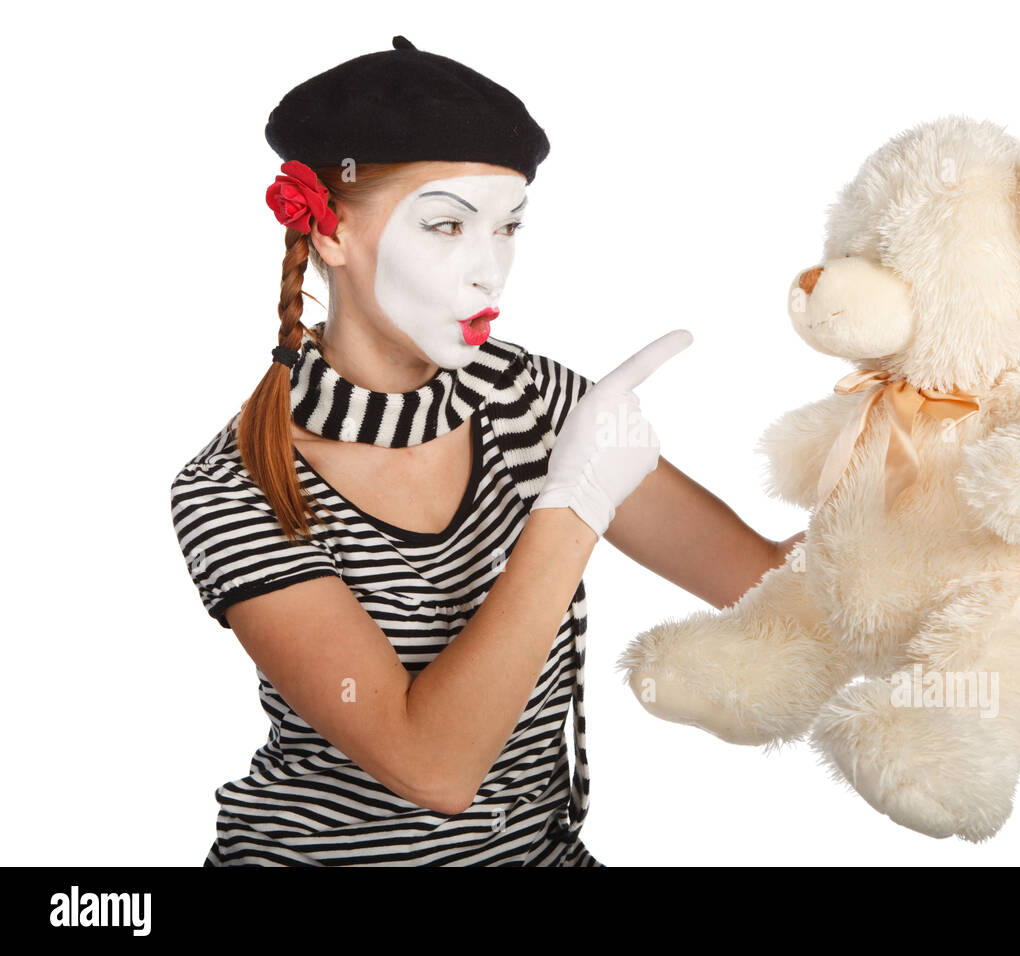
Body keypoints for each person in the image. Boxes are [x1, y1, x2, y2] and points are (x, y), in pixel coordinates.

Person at [169, 36, 803, 866]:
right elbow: (432, 768)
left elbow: (764, 586)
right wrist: (573, 508)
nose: (490, 273)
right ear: (330, 233)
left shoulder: (533, 397)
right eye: (445, 226)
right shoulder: (235, 488)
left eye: (508, 228)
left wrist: (919, 450)